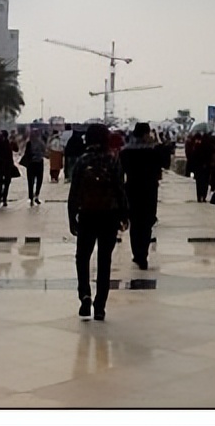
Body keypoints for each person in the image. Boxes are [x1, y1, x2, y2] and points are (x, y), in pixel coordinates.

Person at [68, 123, 130, 320]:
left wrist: (72, 217)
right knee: (104, 260)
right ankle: (100, 304)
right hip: (109, 216)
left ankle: (84, 295)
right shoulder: (112, 161)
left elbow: (74, 192)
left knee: (82, 257)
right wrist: (124, 214)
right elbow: (120, 189)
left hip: (87, 215)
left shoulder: (81, 161)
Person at [119, 121, 165, 267]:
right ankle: (143, 254)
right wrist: (158, 142)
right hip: (149, 189)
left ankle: (137, 253)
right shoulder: (154, 151)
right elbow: (165, 162)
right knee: (147, 222)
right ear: (146, 133)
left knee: (135, 222)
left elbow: (121, 172)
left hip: (132, 188)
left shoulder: (126, 151)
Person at [20, 128, 46, 205]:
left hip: (31, 164)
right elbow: (44, 151)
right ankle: (36, 196)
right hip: (39, 163)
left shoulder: (29, 143)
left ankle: (31, 197)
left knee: (30, 181)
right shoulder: (41, 142)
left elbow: (25, 153)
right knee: (39, 180)